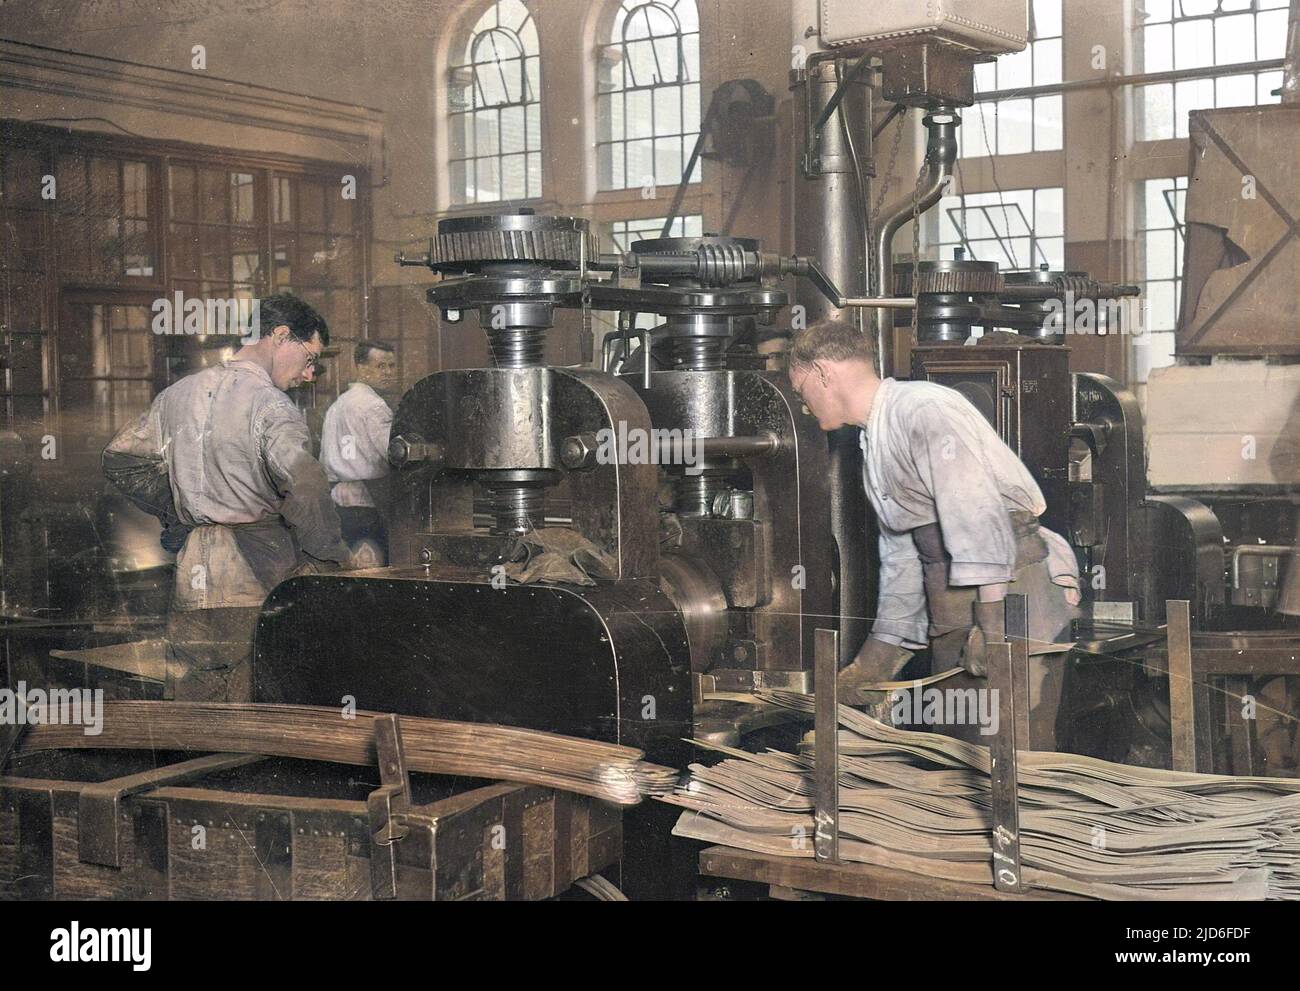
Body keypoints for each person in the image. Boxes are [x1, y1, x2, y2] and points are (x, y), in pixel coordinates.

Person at [788, 317, 1081, 744]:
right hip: (954, 608)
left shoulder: (923, 409)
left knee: (1010, 759)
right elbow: (904, 558)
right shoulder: (875, 439)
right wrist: (879, 656)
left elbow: (977, 514)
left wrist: (993, 627)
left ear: (823, 373)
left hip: (1010, 593)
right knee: (955, 752)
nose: (803, 404)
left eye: (801, 391)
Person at [102, 293, 350, 701]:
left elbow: (121, 459)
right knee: (257, 696)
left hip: (192, 576)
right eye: (310, 359)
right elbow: (305, 485)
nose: (310, 375)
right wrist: (329, 558)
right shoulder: (272, 406)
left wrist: (180, 510)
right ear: (281, 335)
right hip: (257, 572)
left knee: (194, 702)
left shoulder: (179, 393)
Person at [319, 340, 397, 566]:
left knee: (352, 571)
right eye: (381, 366)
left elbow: (343, 455)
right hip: (368, 504)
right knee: (376, 573)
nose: (388, 372)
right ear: (361, 368)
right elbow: (390, 454)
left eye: (392, 366)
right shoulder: (373, 406)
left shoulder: (339, 405)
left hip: (341, 506)